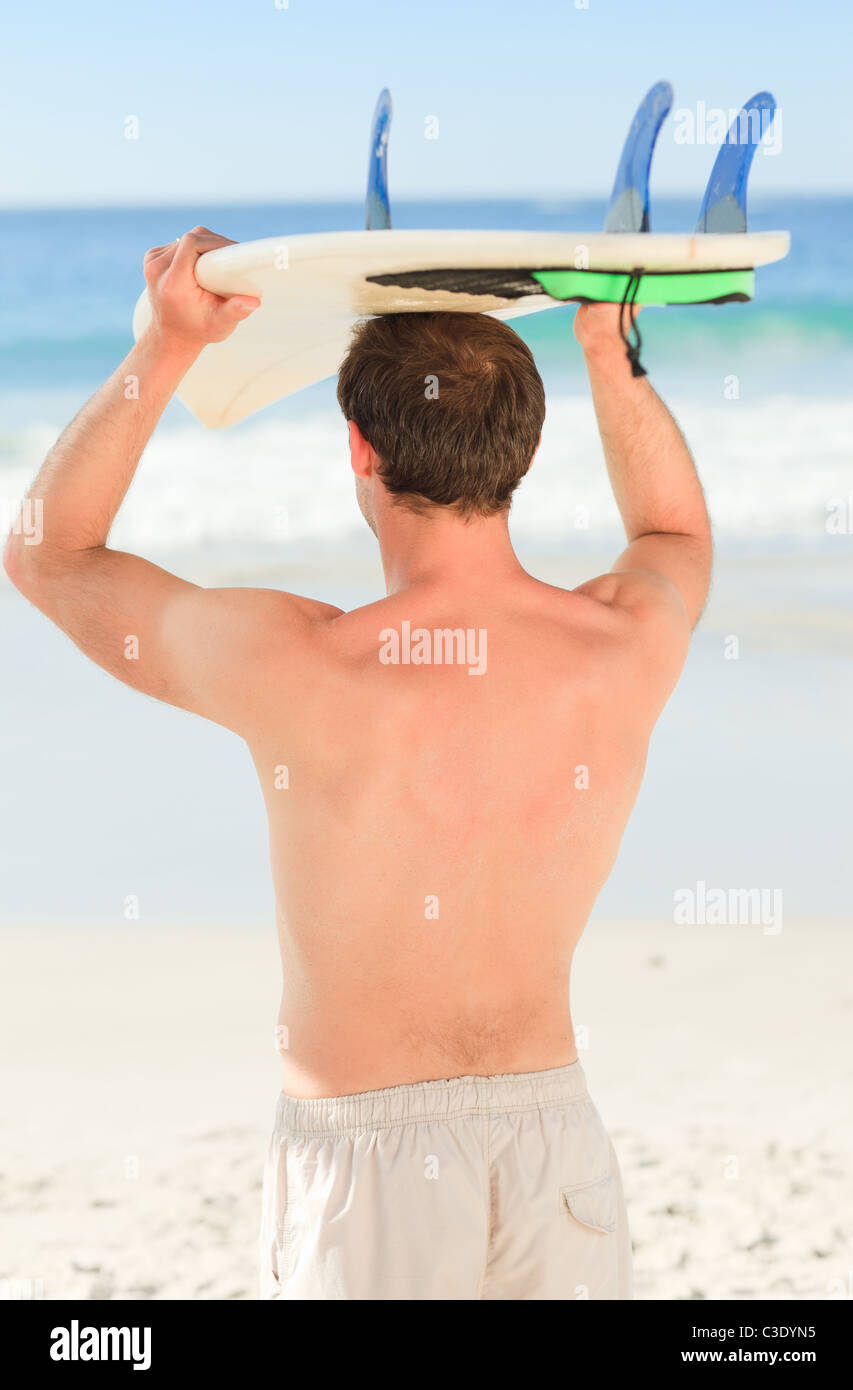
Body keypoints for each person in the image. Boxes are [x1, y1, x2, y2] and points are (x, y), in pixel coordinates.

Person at [4, 227, 712, 1301]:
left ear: (358, 451)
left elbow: (48, 551)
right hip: (554, 1139)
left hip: (368, 1162)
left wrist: (168, 345)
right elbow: (673, 531)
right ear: (522, 452)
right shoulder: (621, 644)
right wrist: (611, 357)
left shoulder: (300, 667)